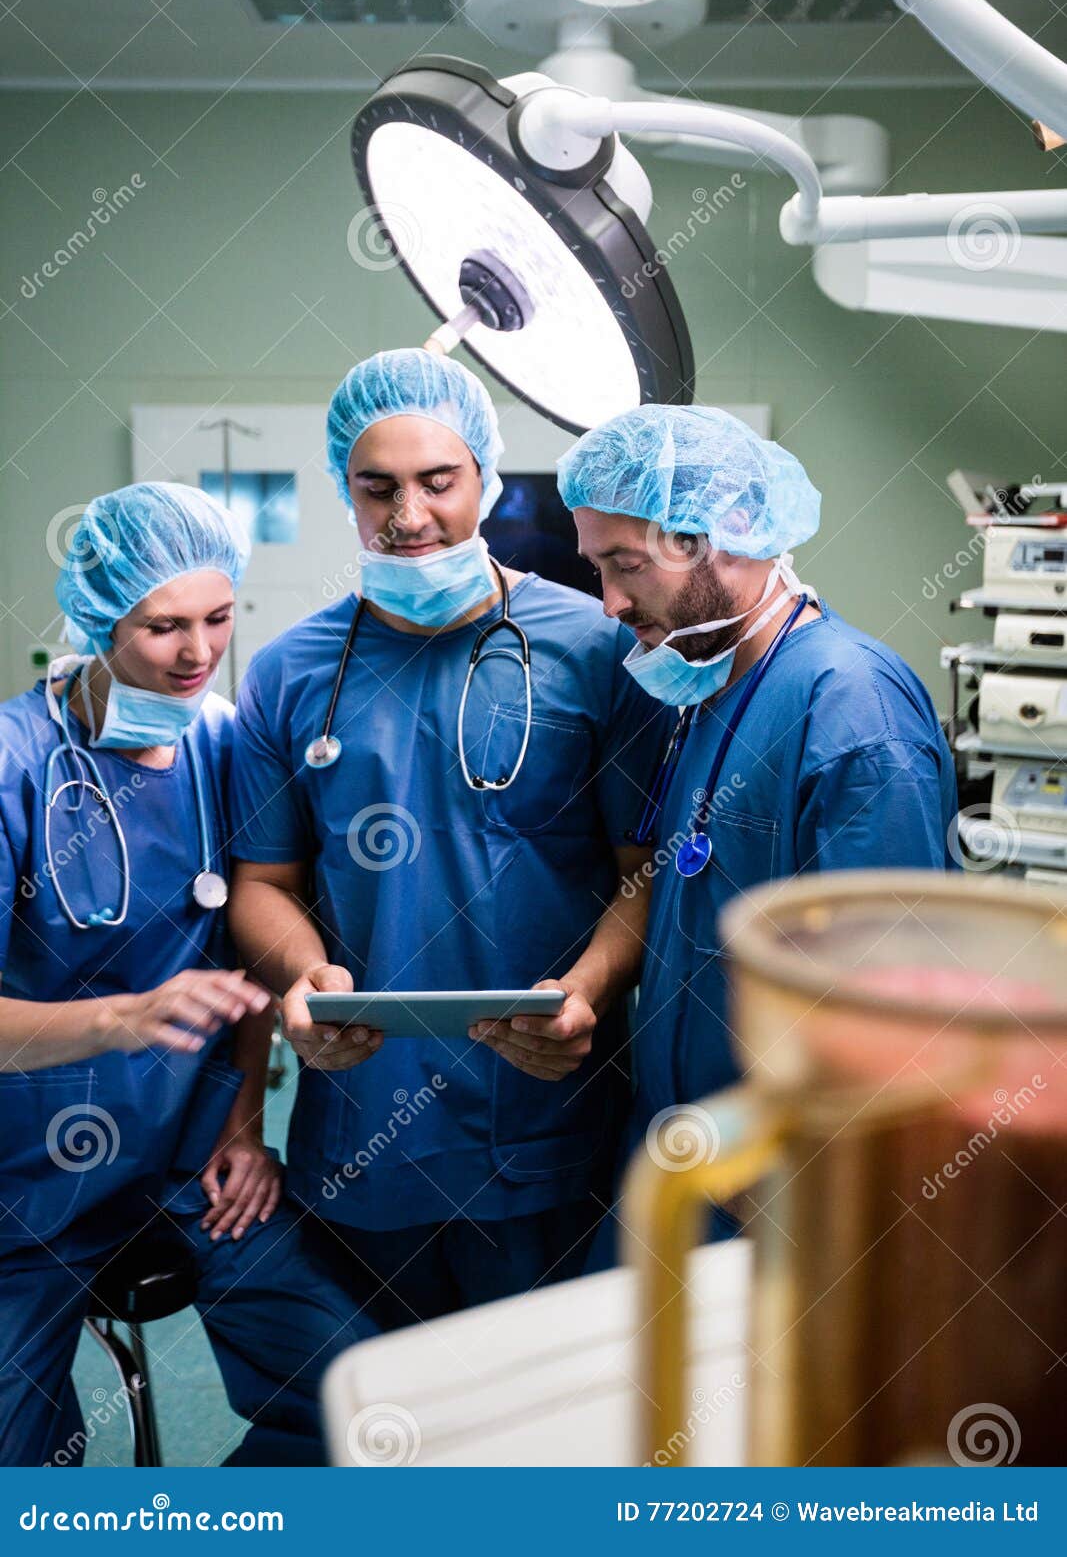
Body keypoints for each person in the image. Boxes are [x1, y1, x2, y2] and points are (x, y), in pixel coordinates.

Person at [227, 349, 671, 1329]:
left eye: (438, 481)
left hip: (543, 1120)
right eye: (375, 486)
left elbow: (644, 871)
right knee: (380, 1427)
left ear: (486, 479)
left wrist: (586, 990)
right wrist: (304, 976)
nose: (408, 514)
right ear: (346, 488)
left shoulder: (594, 650)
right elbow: (262, 878)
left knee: (538, 1429)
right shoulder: (288, 670)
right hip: (359, 1126)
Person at [0, 482, 369, 1468]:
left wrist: (245, 1119)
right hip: (25, 1188)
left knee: (365, 1395)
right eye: (163, 625)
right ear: (96, 614)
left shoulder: (225, 745)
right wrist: (121, 1019)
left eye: (217, 618)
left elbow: (249, 949)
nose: (198, 651)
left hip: (193, 1167)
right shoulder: (15, 764)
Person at [557, 405, 958, 1198]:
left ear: (725, 531)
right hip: (682, 1159)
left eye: (626, 566)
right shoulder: (705, 688)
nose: (607, 603)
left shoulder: (851, 708)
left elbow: (885, 1012)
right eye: (596, 569)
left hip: (783, 1186)